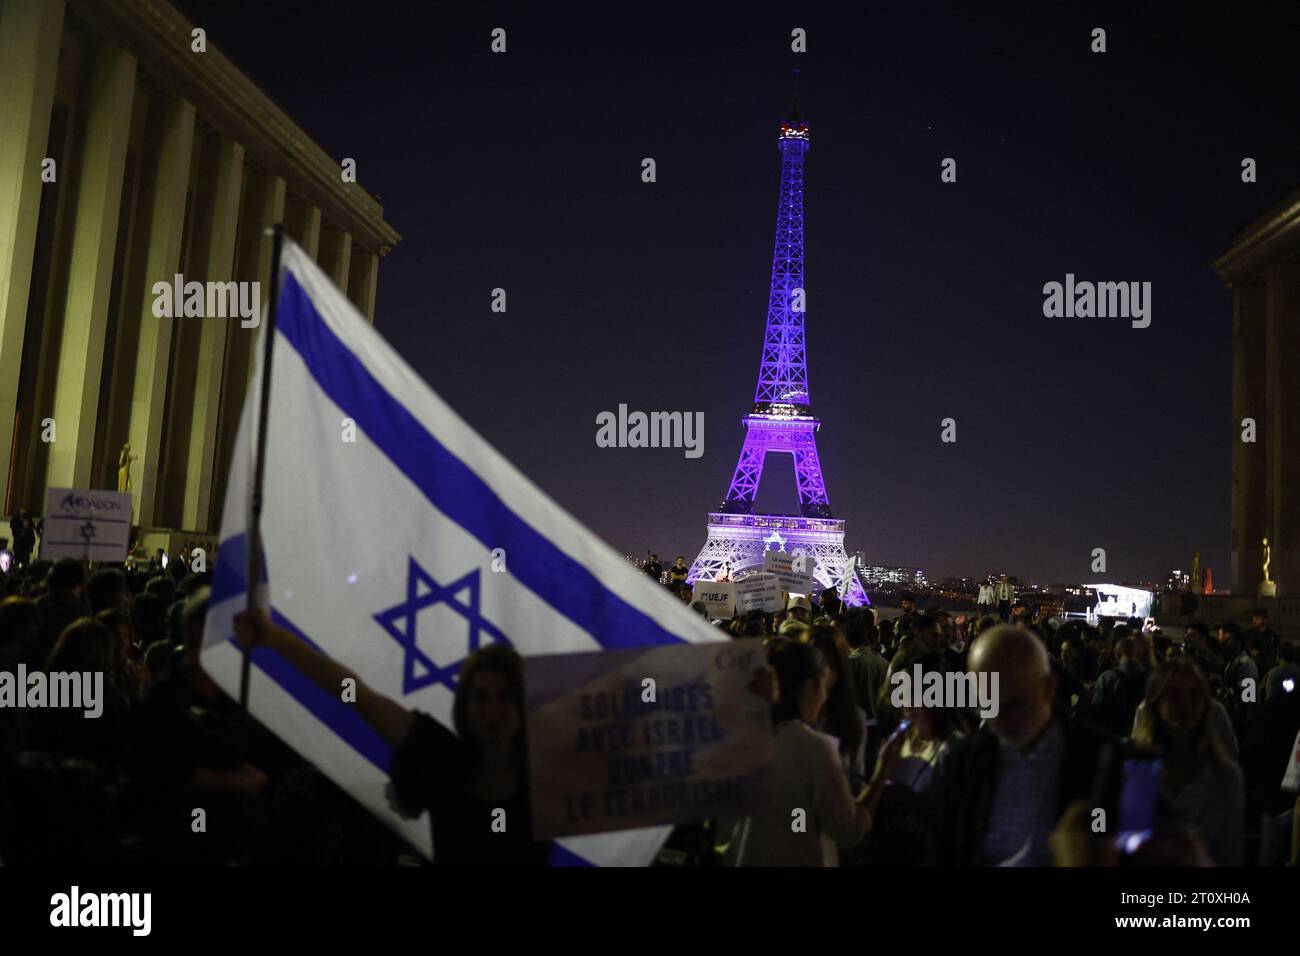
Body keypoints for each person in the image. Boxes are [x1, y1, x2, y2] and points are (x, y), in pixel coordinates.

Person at [235, 606, 550, 866]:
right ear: (464, 706)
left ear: (525, 703)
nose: (491, 711)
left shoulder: (554, 776)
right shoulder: (442, 758)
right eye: (480, 698)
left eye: (506, 697)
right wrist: (274, 637)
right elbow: (356, 695)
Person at [929, 625, 1116, 866]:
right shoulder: (962, 760)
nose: (999, 719)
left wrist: (1096, 837)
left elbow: (1107, 826)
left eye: (1014, 705)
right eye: (989, 704)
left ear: (1049, 688)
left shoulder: (1100, 758)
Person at [722, 639, 901, 866]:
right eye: (823, 685)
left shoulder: (741, 737)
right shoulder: (812, 747)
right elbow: (849, 830)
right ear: (808, 688)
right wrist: (883, 767)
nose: (825, 696)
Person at [1131, 658, 1245, 866]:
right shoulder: (1131, 766)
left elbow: (1229, 853)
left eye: (1195, 695)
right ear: (1155, 702)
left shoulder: (1226, 777)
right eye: (1173, 694)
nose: (1185, 704)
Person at [1091, 636, 1147, 738]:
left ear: (1116, 655)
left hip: (1112, 736)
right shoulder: (1151, 678)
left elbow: (1097, 708)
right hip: (1142, 736)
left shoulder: (1107, 677)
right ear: (1136, 654)